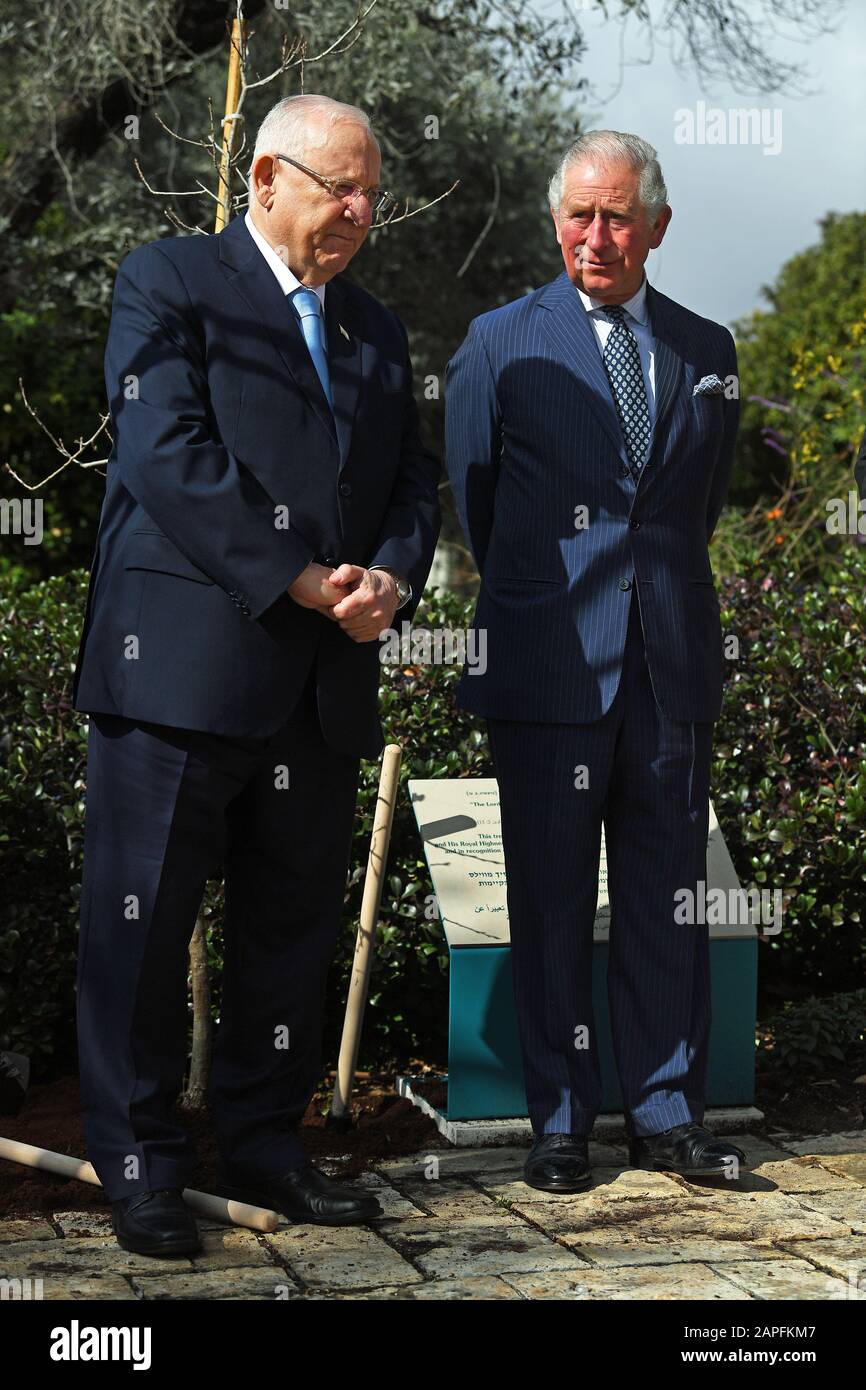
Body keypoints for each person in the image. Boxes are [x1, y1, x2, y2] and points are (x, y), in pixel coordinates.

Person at [72, 94, 441, 1254]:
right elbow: (163, 450)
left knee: (286, 940)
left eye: (370, 192)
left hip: (322, 690)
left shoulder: (376, 329)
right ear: (267, 177)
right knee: (139, 935)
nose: (360, 210)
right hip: (177, 678)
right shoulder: (169, 280)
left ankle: (269, 1149)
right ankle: (138, 1165)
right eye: (340, 187)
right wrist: (293, 574)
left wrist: (388, 576)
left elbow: (414, 487)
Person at [445, 130, 746, 1193]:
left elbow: (695, 509)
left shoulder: (708, 349)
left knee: (668, 899)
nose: (595, 235)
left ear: (656, 226)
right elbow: (476, 501)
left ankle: (669, 1118)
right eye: (578, 214)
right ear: (553, 220)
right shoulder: (494, 343)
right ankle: (559, 1123)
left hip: (668, 669)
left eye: (618, 215)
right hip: (547, 668)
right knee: (550, 900)